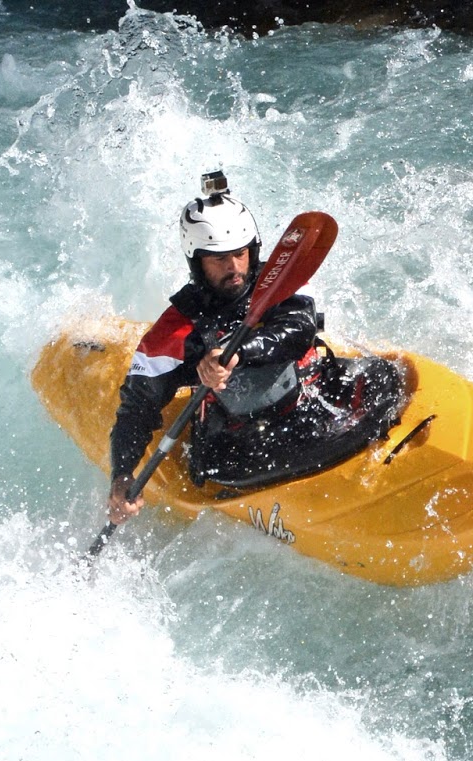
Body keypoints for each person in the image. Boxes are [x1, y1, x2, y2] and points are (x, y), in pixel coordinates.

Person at [106, 174, 402, 527]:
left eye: (240, 254)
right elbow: (137, 409)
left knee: (386, 375)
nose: (233, 268)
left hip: (309, 401)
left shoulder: (277, 285)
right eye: (218, 260)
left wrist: (238, 352)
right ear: (196, 262)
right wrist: (122, 475)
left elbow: (298, 329)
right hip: (244, 442)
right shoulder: (176, 331)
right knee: (244, 456)